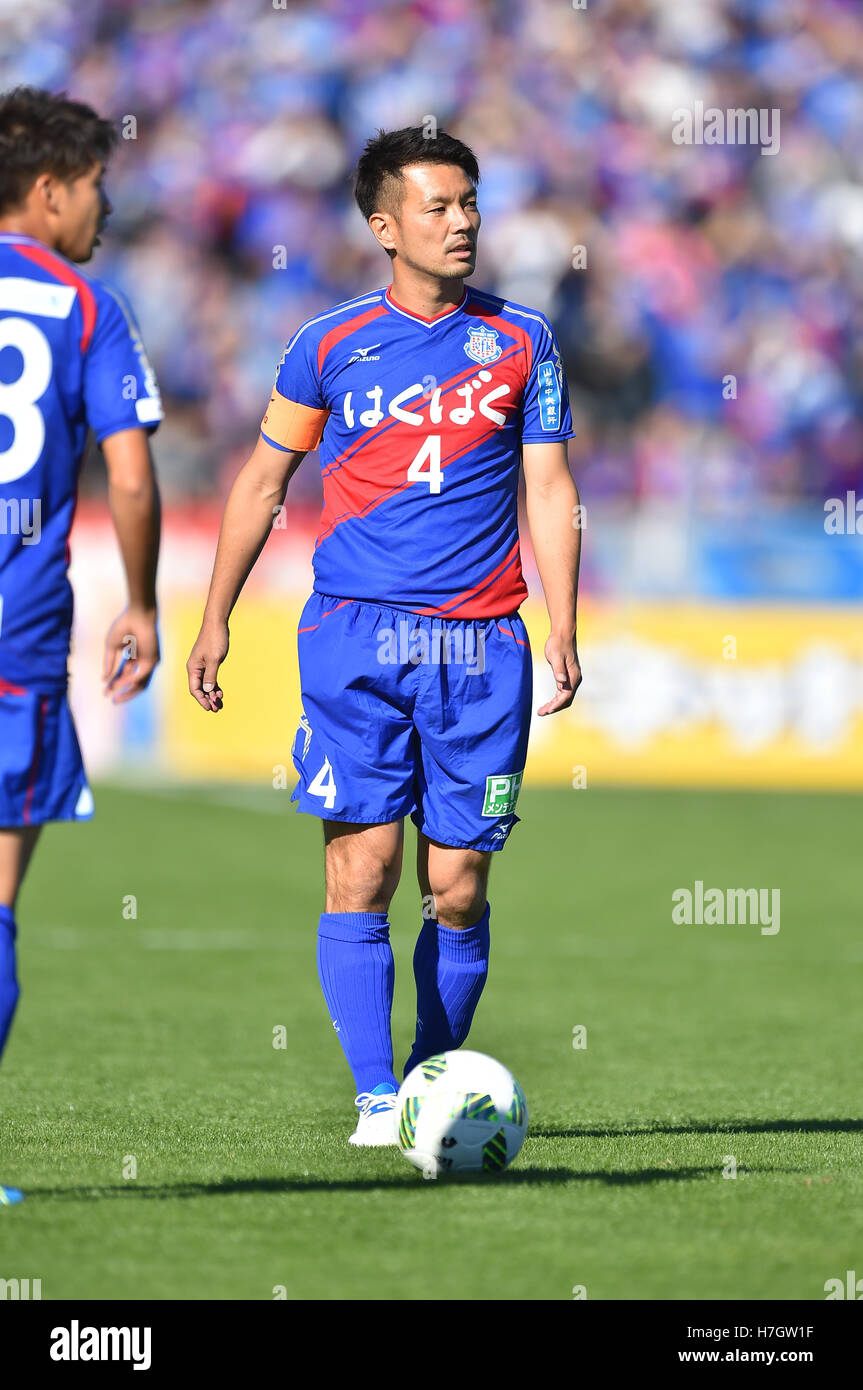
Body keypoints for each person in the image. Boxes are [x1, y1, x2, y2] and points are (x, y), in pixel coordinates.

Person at [187, 127, 581, 1146]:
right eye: (437, 207)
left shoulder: (525, 339)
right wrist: (214, 615)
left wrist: (563, 620)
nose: (461, 223)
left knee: (456, 885)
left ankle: (426, 1084)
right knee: (359, 868)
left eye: (468, 204)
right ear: (383, 226)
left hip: (483, 644)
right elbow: (263, 483)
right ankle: (376, 1099)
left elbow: (547, 482)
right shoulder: (324, 343)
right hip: (354, 637)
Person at [0, 87, 163, 1203]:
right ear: (51, 190)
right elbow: (133, 473)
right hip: (15, 629)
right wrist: (142, 602)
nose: (104, 204)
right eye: (97, 183)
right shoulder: (84, 305)